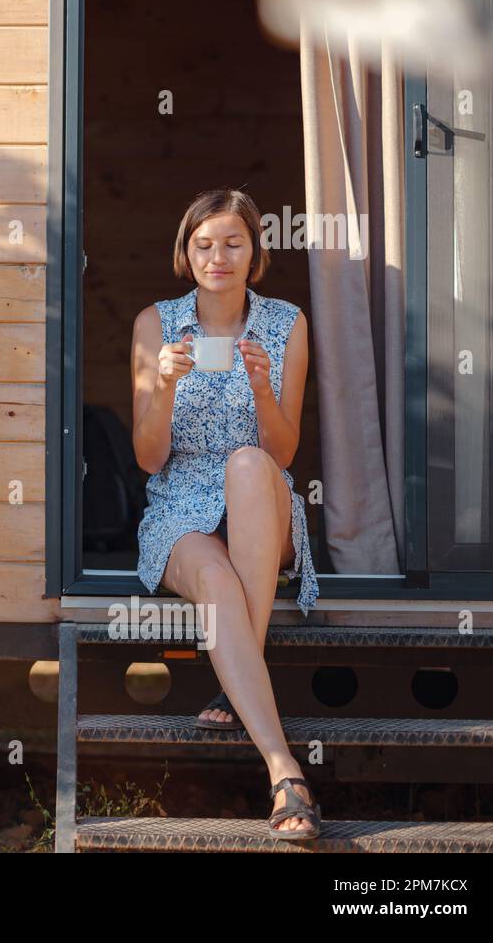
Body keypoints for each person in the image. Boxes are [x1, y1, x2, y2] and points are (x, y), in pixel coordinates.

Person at [129, 187, 322, 840]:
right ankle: (284, 771)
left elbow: (283, 450)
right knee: (216, 581)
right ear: (186, 253)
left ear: (255, 251)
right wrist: (163, 386)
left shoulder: (288, 324)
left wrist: (264, 391)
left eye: (233, 242)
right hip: (180, 505)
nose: (219, 255)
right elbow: (150, 458)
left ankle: (236, 683)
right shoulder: (156, 324)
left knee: (246, 462)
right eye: (204, 243)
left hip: (260, 496)